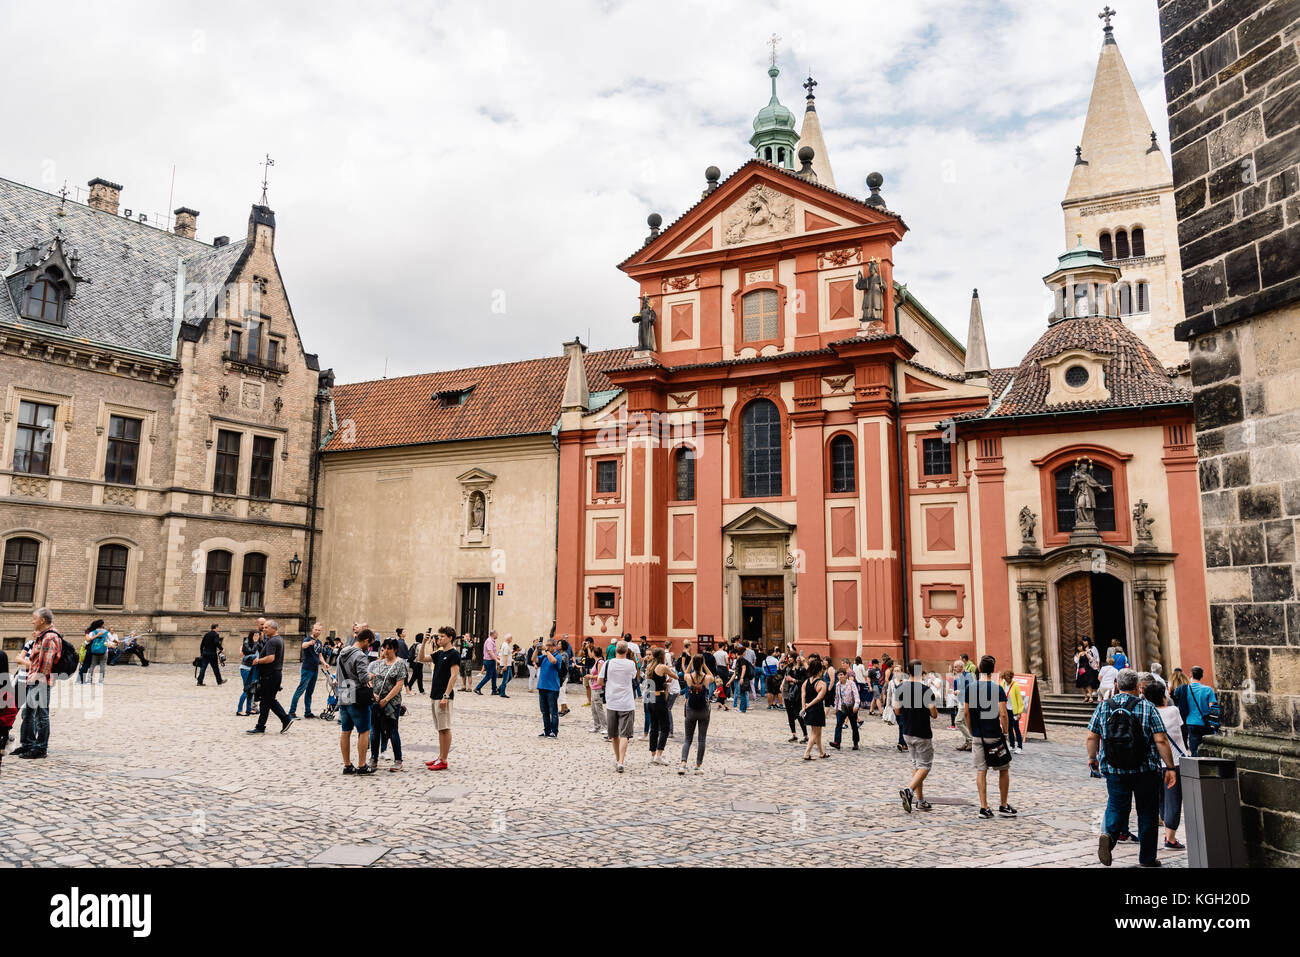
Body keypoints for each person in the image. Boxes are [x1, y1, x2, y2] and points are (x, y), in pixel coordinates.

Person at [1086, 668, 1178, 867]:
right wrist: (1170, 767)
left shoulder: (1103, 707)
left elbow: (1092, 736)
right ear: (1137, 687)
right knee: (1147, 812)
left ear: (1117, 685)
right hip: (1145, 769)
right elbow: (1161, 740)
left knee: (1116, 804)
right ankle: (1147, 859)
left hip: (1114, 768)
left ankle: (1109, 837)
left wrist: (1092, 758)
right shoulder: (1147, 707)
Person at [965, 654, 1014, 820]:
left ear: (979, 669)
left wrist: (972, 731)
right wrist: (1005, 732)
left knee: (981, 770)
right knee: (1003, 769)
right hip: (994, 736)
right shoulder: (997, 688)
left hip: (978, 736)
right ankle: (1003, 804)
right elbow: (1003, 714)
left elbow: (966, 713)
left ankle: (984, 807)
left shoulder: (970, 688)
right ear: (993, 670)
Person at [17, 608, 63, 760]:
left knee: (41, 716)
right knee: (28, 714)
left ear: (42, 620)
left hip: (40, 681)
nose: (32, 621)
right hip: (35, 679)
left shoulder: (49, 637)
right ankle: (28, 744)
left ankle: (40, 748)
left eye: (34, 618)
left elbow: (45, 663)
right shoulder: (43, 636)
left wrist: (36, 679)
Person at [1147, 679, 1186, 851]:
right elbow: (1180, 728)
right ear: (1163, 695)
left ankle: (1166, 830)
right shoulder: (1173, 710)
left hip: (1155, 764)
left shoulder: (1148, 713)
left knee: (1161, 799)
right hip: (1174, 762)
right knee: (1174, 800)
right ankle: (1170, 839)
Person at [896, 661, 938, 813]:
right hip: (922, 732)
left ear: (908, 670)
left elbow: (897, 710)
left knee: (916, 765)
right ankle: (909, 790)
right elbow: (934, 714)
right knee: (925, 765)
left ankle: (920, 801)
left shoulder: (900, 688)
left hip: (907, 731)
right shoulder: (926, 690)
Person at [419, 626, 461, 770]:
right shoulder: (439, 653)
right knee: (440, 729)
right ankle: (440, 757)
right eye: (439, 636)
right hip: (435, 694)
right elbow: (421, 658)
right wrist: (424, 643)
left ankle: (444, 759)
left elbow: (454, 675)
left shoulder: (453, 654)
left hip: (444, 695)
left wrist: (446, 695)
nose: (439, 639)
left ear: (450, 638)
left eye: (442, 636)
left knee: (445, 728)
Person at [337, 629, 375, 775]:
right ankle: (362, 765)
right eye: (370, 644)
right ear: (366, 640)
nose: (370, 647)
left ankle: (347, 765)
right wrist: (371, 675)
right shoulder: (360, 656)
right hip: (357, 693)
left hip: (344, 691)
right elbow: (363, 678)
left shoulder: (343, 651)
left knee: (346, 731)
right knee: (364, 730)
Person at [369, 638, 409, 772]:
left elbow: (399, 684)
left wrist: (386, 699)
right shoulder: (378, 664)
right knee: (375, 730)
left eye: (389, 648)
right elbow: (371, 679)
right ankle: (373, 758)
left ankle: (398, 760)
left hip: (392, 703)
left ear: (395, 649)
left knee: (392, 730)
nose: (386, 651)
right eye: (384, 648)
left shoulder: (399, 664)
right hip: (376, 702)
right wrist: (373, 693)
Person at [246, 620, 292, 735]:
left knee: (267, 700)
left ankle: (285, 719)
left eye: (266, 627)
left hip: (270, 675)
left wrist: (257, 661)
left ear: (273, 628)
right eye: (264, 627)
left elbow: (270, 658)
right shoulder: (278, 639)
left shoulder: (273, 641)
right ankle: (263, 725)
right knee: (267, 701)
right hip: (274, 674)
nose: (264, 629)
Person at [603, 641, 638, 772]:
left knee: (614, 734)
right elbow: (634, 676)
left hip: (612, 701)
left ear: (615, 650)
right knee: (625, 734)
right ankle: (621, 762)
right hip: (627, 703)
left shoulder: (607, 663)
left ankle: (618, 759)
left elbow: (601, 680)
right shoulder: (631, 664)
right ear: (627, 651)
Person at [1174, 666, 1218, 756]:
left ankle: (1196, 766)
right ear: (1202, 676)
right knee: (1207, 747)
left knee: (1194, 749)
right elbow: (1212, 707)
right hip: (1205, 722)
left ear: (1191, 674)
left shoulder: (1186, 690)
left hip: (1191, 722)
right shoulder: (1208, 689)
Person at [678, 654, 712, 774]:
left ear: (693, 663)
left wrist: (691, 663)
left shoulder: (688, 677)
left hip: (691, 710)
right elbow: (712, 676)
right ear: (702, 663)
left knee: (687, 739)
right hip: (704, 710)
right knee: (701, 740)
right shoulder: (706, 678)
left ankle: (683, 764)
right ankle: (698, 766)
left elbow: (685, 673)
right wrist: (704, 665)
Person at [643, 647, 674, 764]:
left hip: (650, 696)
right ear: (662, 656)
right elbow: (675, 676)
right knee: (665, 727)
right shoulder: (662, 666)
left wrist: (663, 682)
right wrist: (668, 677)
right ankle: (659, 755)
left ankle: (652, 755)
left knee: (654, 727)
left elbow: (651, 683)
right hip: (659, 697)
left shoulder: (649, 667)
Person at [288, 623, 325, 719]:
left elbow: (320, 655)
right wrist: (309, 643)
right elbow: (303, 645)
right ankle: (291, 712)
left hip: (315, 670)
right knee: (300, 690)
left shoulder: (319, 642)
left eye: (319, 630)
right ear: (312, 629)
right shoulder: (307, 639)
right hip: (307, 669)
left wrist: (324, 663)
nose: (317, 631)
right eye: (316, 629)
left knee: (310, 692)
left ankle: (307, 712)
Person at [800, 660, 829, 760]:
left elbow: (803, 696)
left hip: (808, 708)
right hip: (817, 709)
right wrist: (807, 706)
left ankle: (821, 753)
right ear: (820, 670)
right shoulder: (822, 683)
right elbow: (819, 698)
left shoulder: (806, 682)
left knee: (818, 732)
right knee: (814, 732)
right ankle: (807, 754)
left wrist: (804, 706)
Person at [535, 637, 563, 738]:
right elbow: (534, 660)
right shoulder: (544, 656)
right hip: (542, 686)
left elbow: (554, 661)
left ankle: (554, 731)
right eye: (546, 645)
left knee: (553, 711)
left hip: (552, 688)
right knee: (544, 711)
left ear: (554, 647)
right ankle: (546, 730)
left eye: (549, 645)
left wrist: (546, 651)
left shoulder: (558, 656)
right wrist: (536, 649)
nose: (547, 647)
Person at [829, 667, 861, 751]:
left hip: (851, 707)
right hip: (841, 707)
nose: (840, 677)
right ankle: (837, 742)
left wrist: (856, 705)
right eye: (838, 675)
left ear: (845, 675)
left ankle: (855, 743)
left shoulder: (851, 684)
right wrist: (836, 708)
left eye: (841, 675)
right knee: (838, 724)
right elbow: (837, 697)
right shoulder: (838, 685)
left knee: (854, 725)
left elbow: (856, 695)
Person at [782, 654, 807, 743]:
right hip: (788, 692)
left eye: (791, 657)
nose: (789, 659)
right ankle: (794, 735)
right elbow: (781, 674)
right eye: (788, 657)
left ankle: (806, 735)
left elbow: (803, 681)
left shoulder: (801, 669)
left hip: (797, 694)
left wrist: (792, 679)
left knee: (798, 714)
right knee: (790, 715)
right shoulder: (789, 667)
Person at [78, 619, 111, 685]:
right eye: (103, 624)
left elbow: (86, 642)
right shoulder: (105, 632)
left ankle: (88, 681)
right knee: (101, 666)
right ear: (101, 625)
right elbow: (111, 640)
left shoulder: (92, 632)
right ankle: (100, 681)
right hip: (99, 651)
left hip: (93, 651)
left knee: (91, 666)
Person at [1000, 670, 1025, 754]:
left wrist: (1019, 712)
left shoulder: (1015, 685)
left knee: (1016, 728)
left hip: (1014, 710)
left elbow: (1019, 700)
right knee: (1009, 728)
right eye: (1005, 678)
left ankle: (1019, 747)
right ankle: (1012, 745)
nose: (1006, 680)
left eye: (1007, 679)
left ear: (1011, 678)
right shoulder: (1002, 684)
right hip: (1006, 709)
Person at [475, 630, 499, 695]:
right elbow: (490, 652)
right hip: (489, 661)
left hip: (491, 661)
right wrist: (496, 659)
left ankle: (494, 690)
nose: (498, 635)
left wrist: (497, 657)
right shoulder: (489, 641)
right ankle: (477, 688)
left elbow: (493, 652)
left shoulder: (491, 641)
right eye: (497, 634)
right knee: (488, 676)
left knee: (494, 676)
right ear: (493, 634)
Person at [496, 632, 513, 698]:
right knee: (505, 679)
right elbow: (505, 656)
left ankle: (500, 688)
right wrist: (505, 666)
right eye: (511, 638)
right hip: (506, 664)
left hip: (508, 664)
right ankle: (502, 693)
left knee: (510, 677)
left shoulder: (505, 644)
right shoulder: (505, 646)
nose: (512, 639)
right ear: (509, 639)